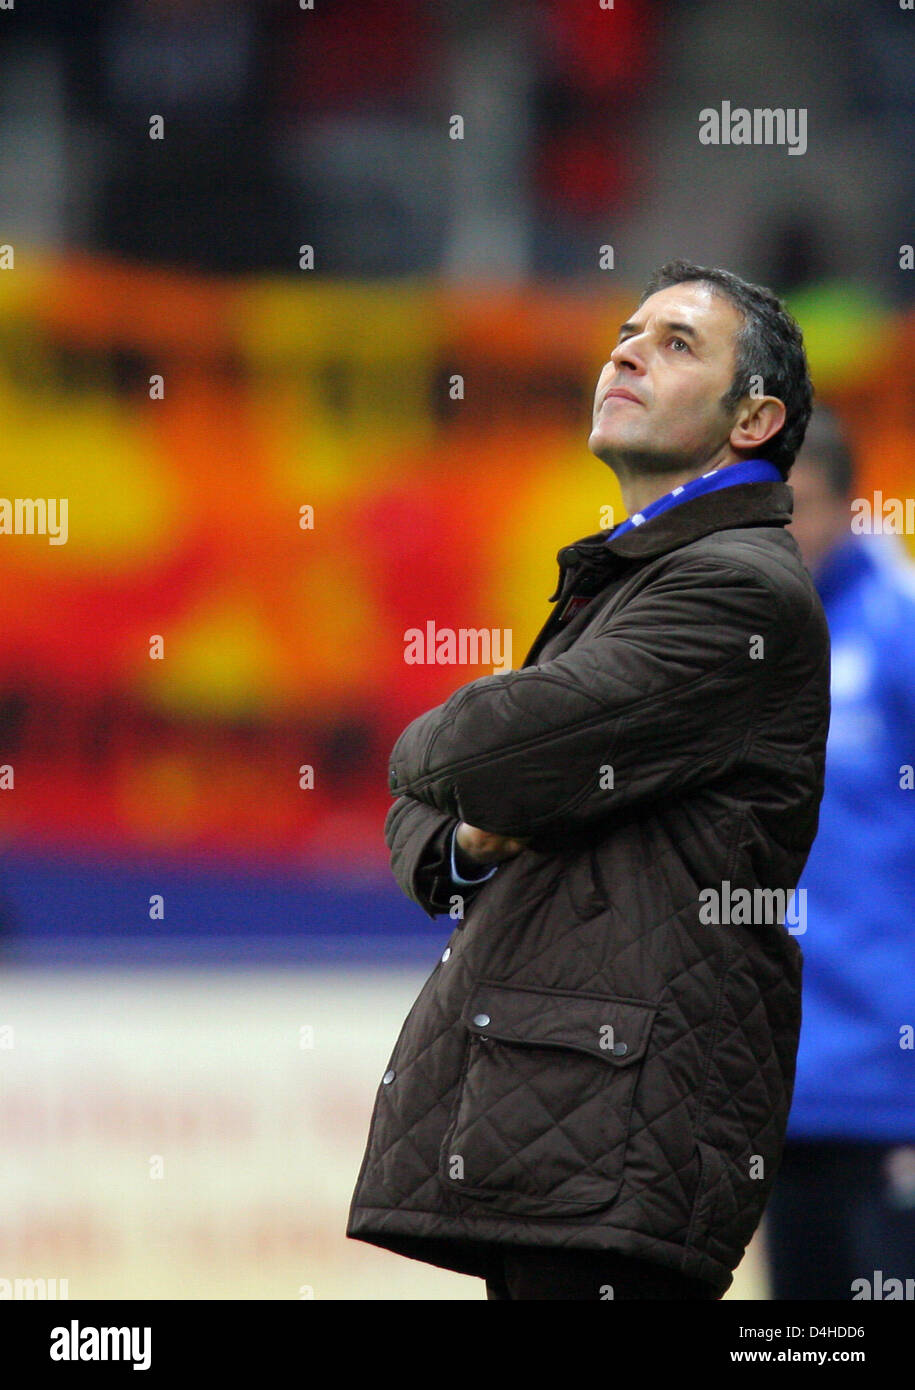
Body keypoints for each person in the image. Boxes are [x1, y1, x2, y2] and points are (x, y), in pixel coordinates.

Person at [347, 259, 830, 1300]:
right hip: (568, 1121)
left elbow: (469, 755)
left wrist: (454, 749)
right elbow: (448, 801)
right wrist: (465, 838)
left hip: (617, 1134)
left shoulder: (733, 589)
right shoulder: (644, 573)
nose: (625, 351)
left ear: (753, 419)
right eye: (626, 331)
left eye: (675, 343)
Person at [763, 405, 915, 1299]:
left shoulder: (896, 629)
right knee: (797, 1331)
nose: (786, 531)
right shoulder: (740, 633)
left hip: (890, 1073)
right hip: (781, 1073)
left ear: (848, 507)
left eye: (803, 506)